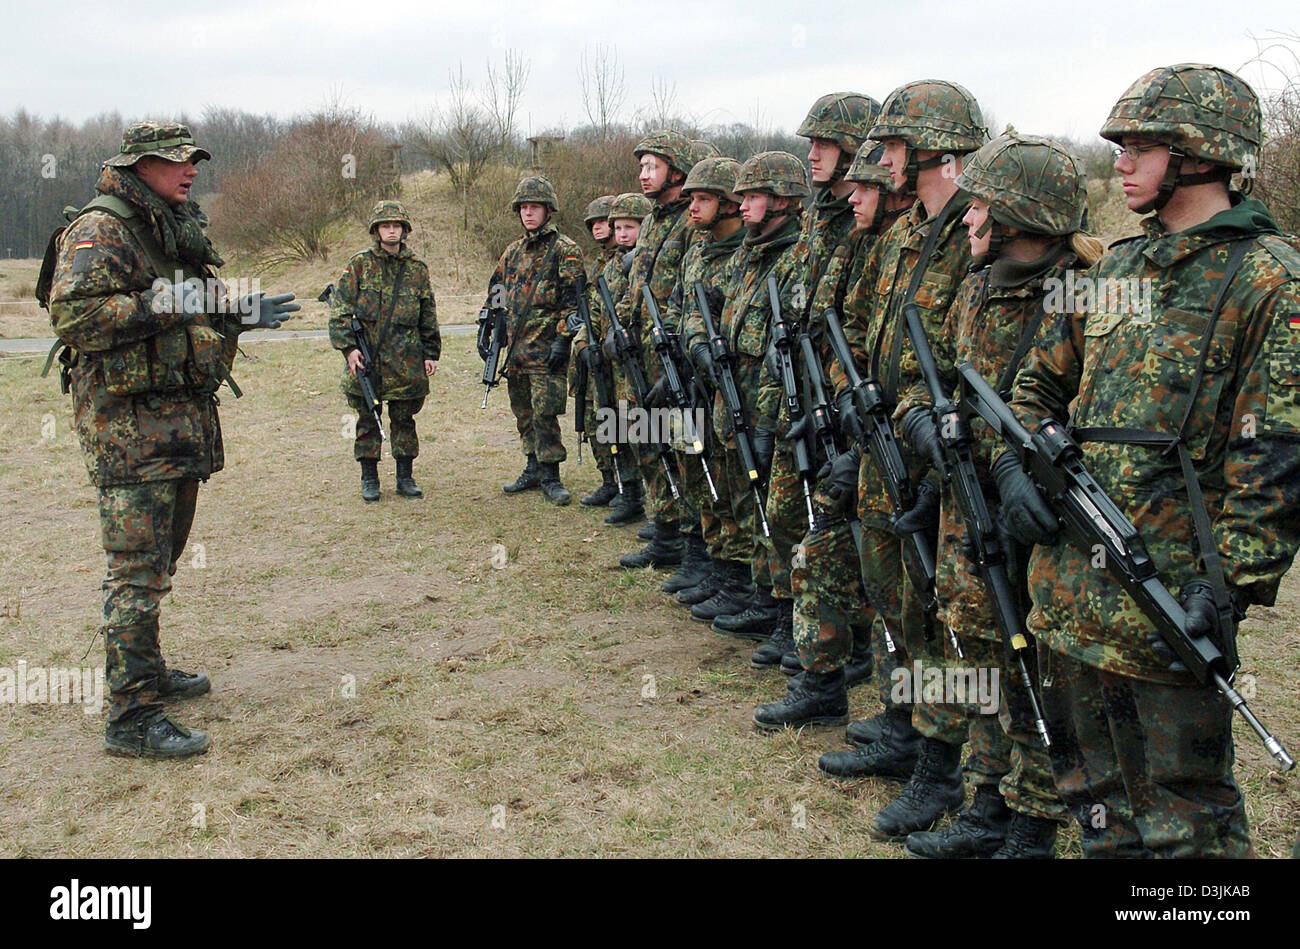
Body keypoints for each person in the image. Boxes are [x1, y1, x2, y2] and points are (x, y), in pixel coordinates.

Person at [1003, 63, 1300, 858]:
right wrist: (1017, 467)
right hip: (1068, 594)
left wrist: (1228, 584)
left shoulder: (1270, 281)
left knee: (1186, 821)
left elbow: (1275, 458)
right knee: (1094, 804)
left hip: (1168, 603)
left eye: (1138, 147)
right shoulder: (1111, 272)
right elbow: (1032, 386)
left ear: (1198, 155)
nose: (1120, 164)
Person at [47, 120, 298, 758]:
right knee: (136, 572)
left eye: (194, 163)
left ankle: (148, 672)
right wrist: (176, 299)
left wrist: (238, 312)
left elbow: (196, 303)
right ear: (135, 166)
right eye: (174, 162)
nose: (189, 172)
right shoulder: (102, 229)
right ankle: (131, 719)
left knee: (160, 562)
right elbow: (76, 316)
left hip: (177, 423)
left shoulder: (171, 228)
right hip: (128, 431)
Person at [896, 130, 1099, 858]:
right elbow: (934, 375)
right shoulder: (977, 287)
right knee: (976, 650)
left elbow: (1086, 419)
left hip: (1037, 521)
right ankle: (985, 798)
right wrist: (923, 421)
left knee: (1035, 666)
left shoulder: (1083, 298)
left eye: (983, 208)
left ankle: (1036, 817)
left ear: (1023, 220)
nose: (970, 221)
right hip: (965, 505)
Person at [814, 81, 986, 844]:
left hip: (941, 457)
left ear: (931, 149)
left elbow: (975, 355)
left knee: (940, 613)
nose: (879, 159)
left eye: (892, 146)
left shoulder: (978, 234)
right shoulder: (903, 233)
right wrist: (854, 397)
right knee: (890, 596)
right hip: (883, 443)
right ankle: (902, 721)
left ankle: (943, 765)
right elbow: (861, 325)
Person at [745, 91, 879, 692]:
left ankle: (845, 647)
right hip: (799, 390)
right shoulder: (817, 225)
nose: (814, 155)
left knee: (834, 529)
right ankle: (802, 629)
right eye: (812, 144)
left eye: (825, 144)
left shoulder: (865, 226)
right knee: (787, 511)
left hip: (841, 401)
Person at [684, 151, 809, 634]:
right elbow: (703, 306)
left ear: (783, 202)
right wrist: (700, 344)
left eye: (753, 196)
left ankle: (779, 610)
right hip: (731, 400)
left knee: (773, 516)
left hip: (769, 412)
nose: (743, 205)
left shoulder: (795, 261)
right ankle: (754, 592)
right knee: (742, 504)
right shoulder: (746, 258)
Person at [659, 156, 747, 598]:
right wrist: (676, 341)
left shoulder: (742, 255)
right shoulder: (696, 249)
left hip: (723, 386)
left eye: (705, 199)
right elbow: (677, 303)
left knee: (724, 478)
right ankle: (700, 554)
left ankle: (731, 571)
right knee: (690, 464)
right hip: (686, 377)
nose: (693, 207)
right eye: (691, 198)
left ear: (730, 204)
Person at [615, 129, 697, 569]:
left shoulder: (692, 221)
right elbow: (636, 283)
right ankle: (664, 533)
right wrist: (622, 323)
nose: (643, 174)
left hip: (674, 356)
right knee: (643, 438)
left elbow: (693, 293)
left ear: (676, 170)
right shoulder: (651, 221)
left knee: (684, 447)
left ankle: (694, 540)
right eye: (642, 166)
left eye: (653, 166)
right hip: (640, 353)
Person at [329, 200, 441, 502]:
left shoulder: (417, 269)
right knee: (367, 419)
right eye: (385, 225)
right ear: (376, 230)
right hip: (368, 359)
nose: (391, 230)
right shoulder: (359, 265)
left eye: (396, 225)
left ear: (404, 230)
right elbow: (340, 311)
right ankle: (370, 479)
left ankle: (405, 477)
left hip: (407, 359)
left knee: (405, 419)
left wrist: (431, 352)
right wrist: (349, 350)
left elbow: (427, 313)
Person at [486, 175, 585, 505]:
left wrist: (562, 339)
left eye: (535, 207)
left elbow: (575, 303)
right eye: (524, 208)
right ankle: (532, 467)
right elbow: (497, 292)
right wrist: (489, 328)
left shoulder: (565, 251)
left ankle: (551, 475)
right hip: (516, 353)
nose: (529, 213)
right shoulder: (512, 252)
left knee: (546, 415)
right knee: (524, 414)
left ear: (548, 210)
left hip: (547, 351)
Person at [574, 192, 650, 520]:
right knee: (610, 424)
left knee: (642, 430)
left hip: (636, 361)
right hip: (607, 358)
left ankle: (646, 499)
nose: (621, 234)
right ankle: (626, 490)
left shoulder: (648, 262)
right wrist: (582, 343)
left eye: (628, 228)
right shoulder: (613, 265)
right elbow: (592, 309)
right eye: (617, 227)